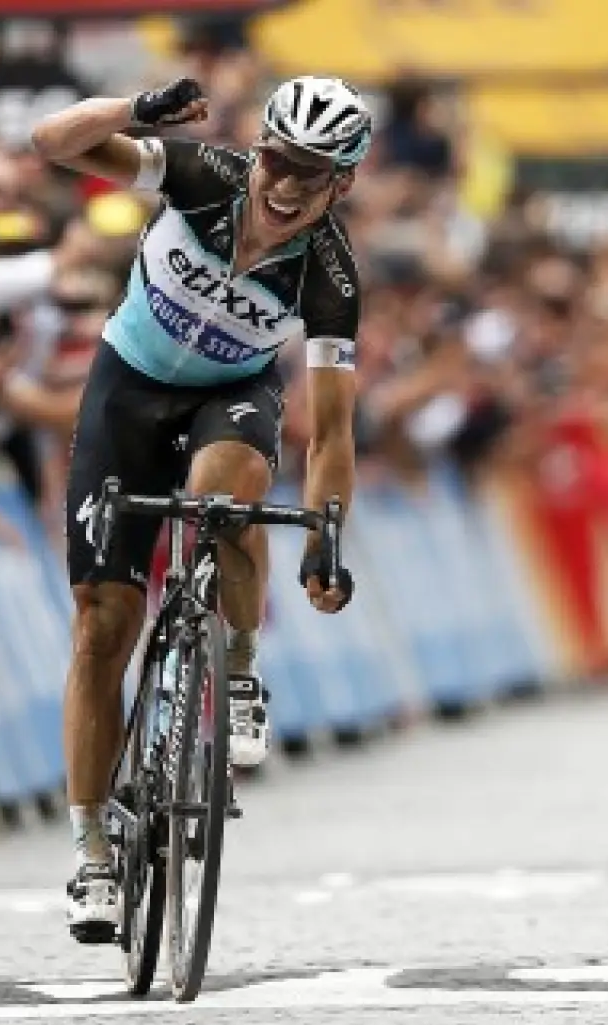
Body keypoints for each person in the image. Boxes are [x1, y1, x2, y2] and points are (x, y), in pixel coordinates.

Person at [30, 73, 368, 944]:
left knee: (228, 495)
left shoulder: (330, 276)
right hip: (125, 387)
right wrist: (131, 113)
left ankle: (242, 670)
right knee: (103, 628)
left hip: (233, 395)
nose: (288, 186)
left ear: (345, 184)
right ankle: (95, 853)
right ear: (260, 150)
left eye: (315, 173)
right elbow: (51, 144)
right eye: (281, 161)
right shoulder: (202, 175)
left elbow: (331, 433)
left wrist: (328, 533)